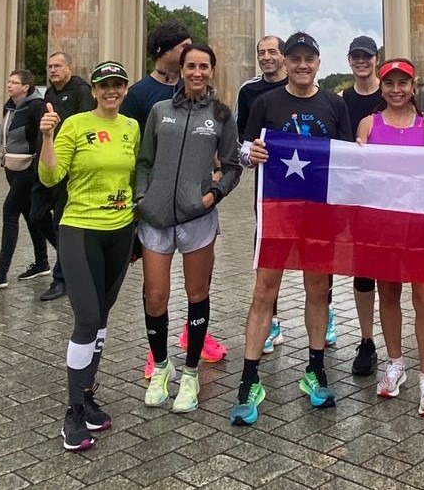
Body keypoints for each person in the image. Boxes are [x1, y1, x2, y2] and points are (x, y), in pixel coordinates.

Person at [229, 31, 352, 426]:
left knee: (318, 290)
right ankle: (249, 379)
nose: (302, 65)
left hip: (319, 213)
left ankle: (315, 368)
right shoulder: (265, 103)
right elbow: (241, 149)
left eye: (308, 59)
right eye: (295, 58)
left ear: (318, 62)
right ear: (285, 62)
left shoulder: (334, 103)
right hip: (276, 213)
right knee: (264, 291)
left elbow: (348, 157)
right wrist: (250, 153)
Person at [39, 60, 142, 453]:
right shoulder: (76, 124)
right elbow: (51, 176)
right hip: (81, 229)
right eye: (104, 86)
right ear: (95, 90)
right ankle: (73, 411)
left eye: (118, 85)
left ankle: (87, 394)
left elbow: (133, 177)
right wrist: (47, 137)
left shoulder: (131, 127)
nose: (111, 91)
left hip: (120, 231)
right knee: (86, 319)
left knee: (101, 318)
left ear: (125, 89)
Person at [136, 43, 242, 413]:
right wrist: (142, 197)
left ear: (212, 70)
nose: (197, 73)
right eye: (191, 66)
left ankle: (191, 372)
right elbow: (144, 160)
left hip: (197, 217)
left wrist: (213, 195)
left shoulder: (221, 114)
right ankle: (161, 367)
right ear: (181, 69)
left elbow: (232, 165)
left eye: (204, 67)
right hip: (156, 217)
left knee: (197, 293)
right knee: (155, 296)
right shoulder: (160, 111)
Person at [357, 58, 424, 417]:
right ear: (381, 87)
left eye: (403, 83)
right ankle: (395, 362)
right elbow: (356, 174)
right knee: (388, 294)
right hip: (383, 224)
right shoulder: (368, 124)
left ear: (414, 87)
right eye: (389, 83)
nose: (396, 90)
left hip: (420, 224)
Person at [234, 35, 288, 355]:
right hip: (268, 189)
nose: (266, 57)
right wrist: (248, 157)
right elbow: (241, 142)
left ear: (283, 56)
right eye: (261, 52)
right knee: (269, 252)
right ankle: (272, 320)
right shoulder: (248, 91)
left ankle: (326, 313)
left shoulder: (301, 85)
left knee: (316, 249)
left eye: (272, 52)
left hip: (306, 185)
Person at [0, 71, 51, 290]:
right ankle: (42, 262)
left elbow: (42, 138)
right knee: (32, 216)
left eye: (14, 82)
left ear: (26, 87)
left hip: (28, 168)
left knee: (9, 212)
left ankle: (1, 273)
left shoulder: (36, 106)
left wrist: (38, 167)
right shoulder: (9, 107)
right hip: (12, 167)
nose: (9, 85)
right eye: (9, 81)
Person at [36, 52, 97, 303]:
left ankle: (62, 278)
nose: (52, 70)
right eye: (49, 66)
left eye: (57, 66)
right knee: (36, 215)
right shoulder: (49, 93)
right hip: (47, 164)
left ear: (70, 67)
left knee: (61, 222)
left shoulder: (81, 91)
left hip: (70, 169)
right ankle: (70, 257)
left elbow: (87, 126)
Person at [341, 35, 383, 377]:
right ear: (349, 60)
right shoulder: (343, 100)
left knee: (410, 267)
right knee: (364, 269)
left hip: (397, 194)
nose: (361, 61)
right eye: (356, 56)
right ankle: (366, 340)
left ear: (376, 59)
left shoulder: (395, 91)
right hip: (360, 195)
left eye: (366, 56)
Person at [120, 21, 190, 127]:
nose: (190, 51)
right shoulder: (136, 94)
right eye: (185, 47)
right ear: (166, 50)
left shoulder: (192, 89)